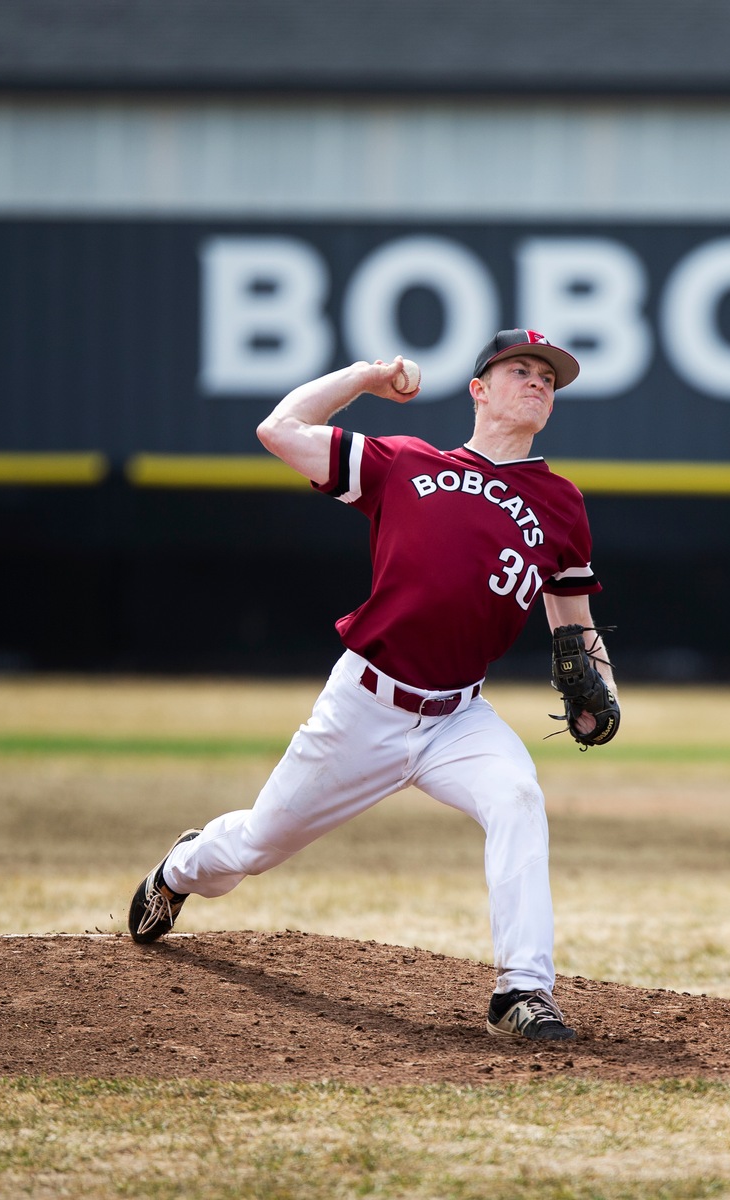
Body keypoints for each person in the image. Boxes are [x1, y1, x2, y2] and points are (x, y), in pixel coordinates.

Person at [127, 329, 617, 1043]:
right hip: (365, 705)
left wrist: (602, 689)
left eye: (549, 376)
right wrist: (363, 376)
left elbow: (573, 620)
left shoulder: (561, 503)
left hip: (459, 718)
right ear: (479, 390)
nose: (539, 382)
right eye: (521, 370)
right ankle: (181, 869)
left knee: (517, 796)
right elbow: (280, 428)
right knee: (259, 845)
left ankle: (523, 991)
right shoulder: (408, 465)